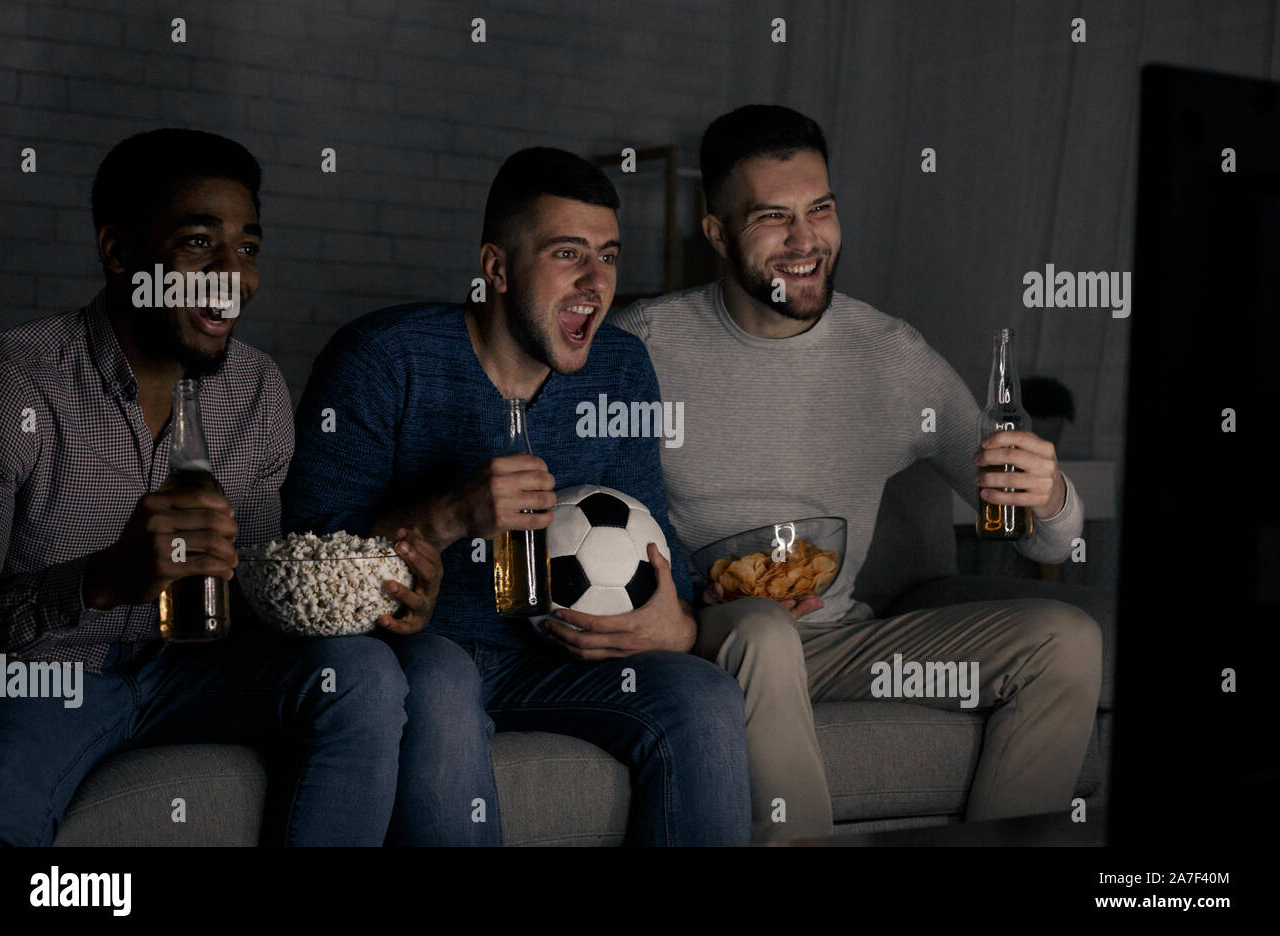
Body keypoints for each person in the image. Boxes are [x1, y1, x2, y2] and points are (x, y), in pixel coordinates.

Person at [609, 105, 1102, 843]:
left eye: (822, 210)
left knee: (1068, 638)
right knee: (766, 630)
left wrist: (1051, 494)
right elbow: (572, 509)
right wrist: (678, 595)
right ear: (716, 233)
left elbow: (1043, 544)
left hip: (843, 643)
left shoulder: (893, 357)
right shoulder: (641, 348)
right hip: (711, 637)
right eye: (773, 217)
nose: (805, 241)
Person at [281, 147, 751, 846]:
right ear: (496, 268)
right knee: (441, 681)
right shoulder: (383, 358)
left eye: (609, 255)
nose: (597, 282)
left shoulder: (621, 369)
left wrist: (674, 622)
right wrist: (448, 516)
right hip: (427, 650)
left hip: (565, 661)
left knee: (704, 693)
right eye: (568, 254)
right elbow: (304, 559)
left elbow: (658, 543)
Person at [0, 129, 413, 846]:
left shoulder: (257, 389)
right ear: (120, 254)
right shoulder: (16, 381)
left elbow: (264, 593)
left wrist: (378, 579)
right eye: (197, 244)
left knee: (363, 677)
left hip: (197, 674)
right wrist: (101, 580)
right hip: (48, 680)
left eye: (247, 249)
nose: (232, 276)